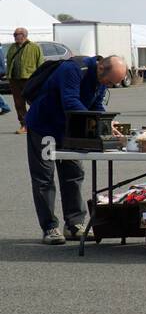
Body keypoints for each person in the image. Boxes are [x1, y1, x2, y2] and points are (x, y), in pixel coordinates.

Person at [25, 55, 127, 244]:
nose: (110, 86)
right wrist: (97, 124)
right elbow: (70, 102)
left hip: (70, 129)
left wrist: (107, 123)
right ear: (101, 68)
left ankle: (74, 224)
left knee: (73, 173)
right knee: (44, 178)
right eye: (110, 82)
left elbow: (96, 104)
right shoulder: (72, 69)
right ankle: (50, 227)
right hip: (44, 126)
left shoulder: (101, 78)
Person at [6, 27, 44, 134]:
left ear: (24, 35)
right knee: (19, 104)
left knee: (33, 102)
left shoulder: (34, 47)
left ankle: (37, 123)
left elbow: (40, 64)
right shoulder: (12, 47)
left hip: (29, 79)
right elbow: (9, 61)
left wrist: (39, 80)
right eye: (14, 34)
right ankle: (24, 125)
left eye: (16, 34)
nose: (15, 36)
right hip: (14, 80)